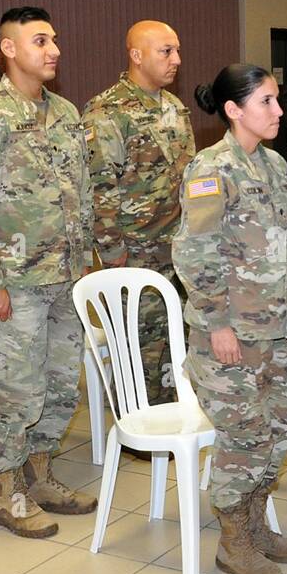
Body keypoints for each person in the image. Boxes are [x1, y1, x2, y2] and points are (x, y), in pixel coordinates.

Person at [0, 7, 98, 539]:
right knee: (16, 389)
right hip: (13, 282)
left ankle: (40, 474)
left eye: (54, 39)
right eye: (40, 40)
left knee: (59, 386)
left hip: (65, 277)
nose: (53, 49)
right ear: (9, 49)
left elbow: (83, 195)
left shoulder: (66, 114)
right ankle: (6, 490)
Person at [174, 63, 287, 574]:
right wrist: (216, 323)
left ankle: (256, 526)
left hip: (278, 327)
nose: (279, 111)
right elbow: (194, 252)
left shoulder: (275, 165)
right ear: (234, 111)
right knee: (245, 436)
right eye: (267, 103)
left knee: (276, 433)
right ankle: (233, 542)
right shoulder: (212, 170)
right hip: (230, 334)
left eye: (278, 101)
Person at [83, 20, 196, 411]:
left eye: (177, 50)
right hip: (135, 250)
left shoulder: (175, 108)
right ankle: (136, 419)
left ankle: (170, 411)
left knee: (176, 335)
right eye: (166, 51)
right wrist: (113, 254)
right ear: (136, 55)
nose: (176, 60)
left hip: (176, 247)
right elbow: (100, 189)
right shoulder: (107, 112)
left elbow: (189, 175)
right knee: (141, 341)